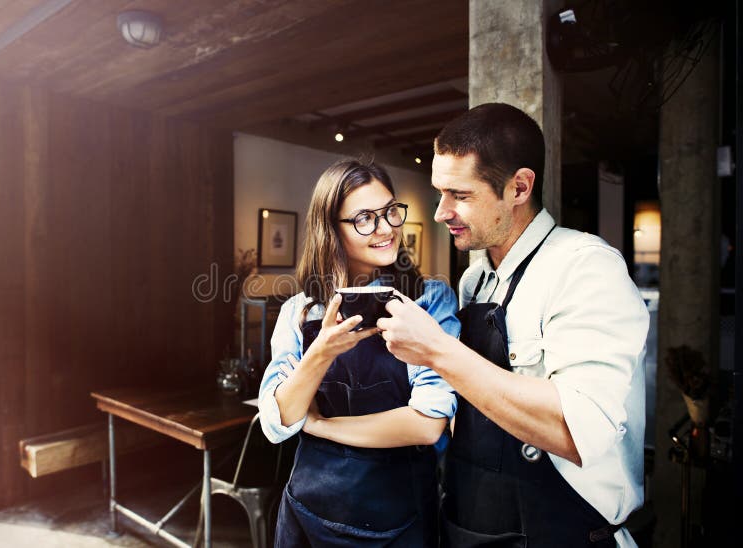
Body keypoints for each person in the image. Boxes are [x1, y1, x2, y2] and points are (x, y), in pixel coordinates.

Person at [377, 103, 649, 547]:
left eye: (460, 195)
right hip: (471, 527)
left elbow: (580, 432)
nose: (442, 211)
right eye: (439, 192)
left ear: (519, 187)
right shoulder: (474, 280)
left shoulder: (585, 268)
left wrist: (436, 351)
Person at [258, 158, 460, 547]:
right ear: (330, 229)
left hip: (397, 519)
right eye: (365, 218)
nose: (385, 228)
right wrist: (320, 353)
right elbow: (276, 422)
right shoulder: (299, 312)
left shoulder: (430, 302)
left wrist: (319, 426)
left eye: (389, 212)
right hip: (307, 513)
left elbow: (427, 422)